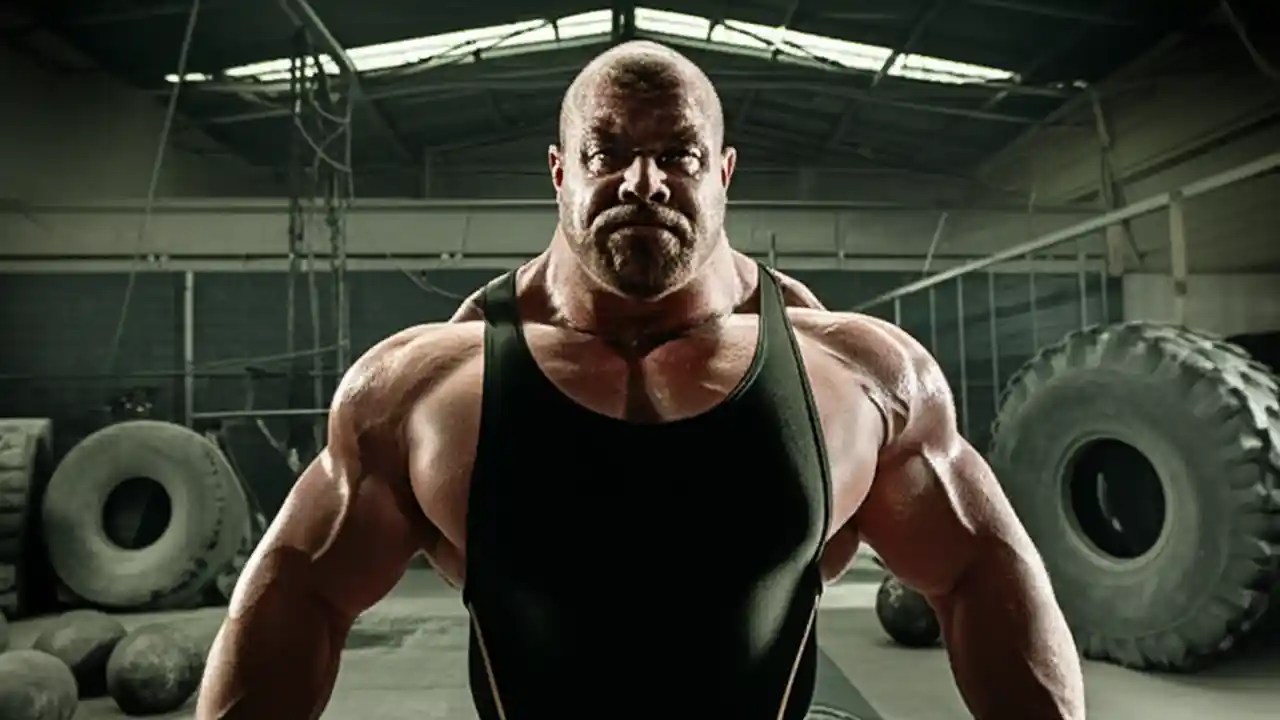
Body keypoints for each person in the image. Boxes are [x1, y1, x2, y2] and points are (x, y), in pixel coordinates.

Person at [195, 40, 1085, 720]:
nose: (643, 182)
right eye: (606, 152)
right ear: (559, 172)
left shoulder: (860, 376)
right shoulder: (417, 391)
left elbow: (980, 569)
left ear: (725, 174)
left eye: (681, 155)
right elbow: (300, 593)